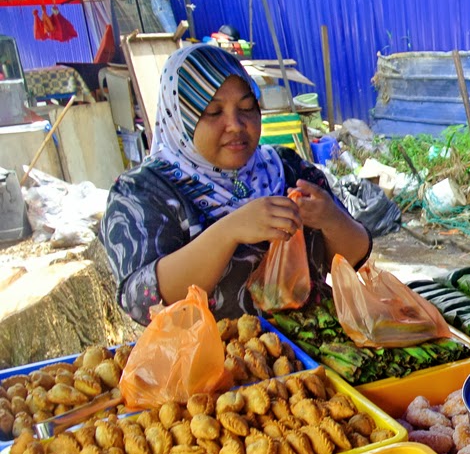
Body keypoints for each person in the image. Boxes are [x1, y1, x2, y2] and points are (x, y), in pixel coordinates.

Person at [101, 44, 371, 325]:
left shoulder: (286, 168)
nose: (236, 124)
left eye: (246, 107)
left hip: (318, 352)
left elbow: (353, 258)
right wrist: (228, 231)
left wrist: (331, 219)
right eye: (213, 112)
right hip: (220, 361)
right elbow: (142, 301)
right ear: (180, 120)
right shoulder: (143, 191)